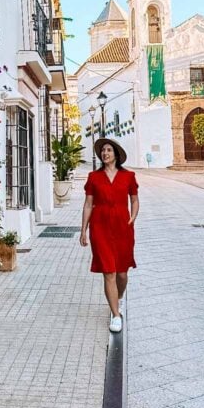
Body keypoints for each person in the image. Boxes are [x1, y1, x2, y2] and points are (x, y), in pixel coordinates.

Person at [79, 138, 139, 340]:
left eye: (108, 150)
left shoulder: (128, 176)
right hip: (100, 228)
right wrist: (83, 230)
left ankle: (118, 297)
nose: (105, 153)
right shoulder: (93, 177)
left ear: (116, 154)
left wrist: (133, 215)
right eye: (103, 151)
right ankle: (115, 314)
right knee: (109, 272)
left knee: (122, 273)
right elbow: (88, 204)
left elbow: (134, 198)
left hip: (123, 227)